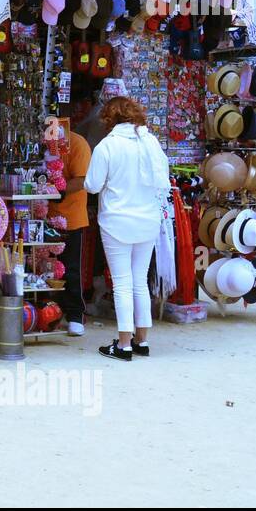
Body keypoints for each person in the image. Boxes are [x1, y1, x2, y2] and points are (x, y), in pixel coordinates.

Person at [82, 96, 170, 361]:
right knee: (139, 281)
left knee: (122, 283)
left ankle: (123, 344)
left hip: (117, 221)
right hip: (148, 221)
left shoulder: (107, 146)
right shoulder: (151, 143)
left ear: (110, 118)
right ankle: (141, 340)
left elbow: (92, 185)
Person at [48, 120, 91, 336]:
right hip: (44, 216)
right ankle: (48, 312)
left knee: (71, 268)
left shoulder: (78, 143)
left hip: (71, 217)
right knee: (44, 268)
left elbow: (82, 179)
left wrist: (59, 192)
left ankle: (75, 315)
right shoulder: (45, 142)